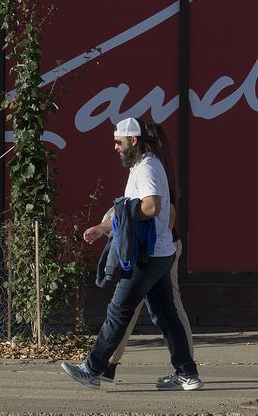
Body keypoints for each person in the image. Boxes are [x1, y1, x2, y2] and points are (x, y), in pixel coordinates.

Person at [60, 117, 202, 391]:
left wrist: (124, 214)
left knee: (118, 311)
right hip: (160, 253)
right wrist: (104, 227)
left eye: (118, 142)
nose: (115, 147)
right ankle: (187, 373)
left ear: (133, 141)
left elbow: (151, 207)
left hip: (145, 255)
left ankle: (91, 369)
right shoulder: (144, 165)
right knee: (165, 314)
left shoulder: (146, 167)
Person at [102, 121, 195, 385]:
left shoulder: (152, 169)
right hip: (155, 250)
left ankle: (186, 367)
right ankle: (109, 363)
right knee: (133, 308)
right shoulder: (154, 168)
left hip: (159, 250)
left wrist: (152, 241)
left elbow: (164, 214)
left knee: (162, 309)